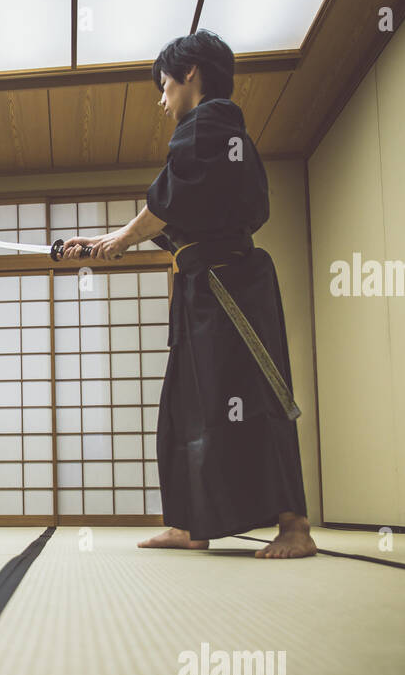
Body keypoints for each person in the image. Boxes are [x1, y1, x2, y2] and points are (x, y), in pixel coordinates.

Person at [61, 29, 316, 559]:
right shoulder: (208, 136)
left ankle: (295, 525)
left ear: (190, 73)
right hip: (202, 284)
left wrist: (121, 238)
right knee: (185, 407)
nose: (161, 100)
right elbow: (174, 206)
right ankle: (189, 522)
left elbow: (171, 198)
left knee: (259, 395)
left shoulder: (212, 121)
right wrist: (108, 241)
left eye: (163, 86)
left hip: (231, 284)